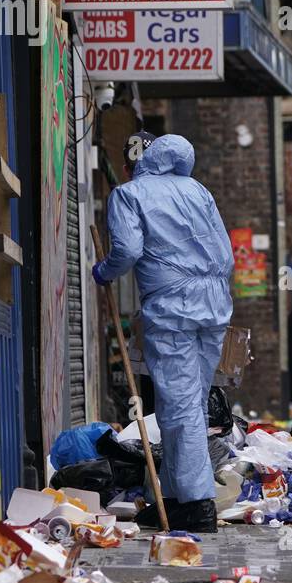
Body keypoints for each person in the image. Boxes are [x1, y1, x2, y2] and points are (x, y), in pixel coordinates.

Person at [93, 133, 234, 533]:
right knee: (189, 402)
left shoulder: (130, 194)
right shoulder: (198, 190)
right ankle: (171, 497)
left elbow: (128, 251)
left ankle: (196, 503)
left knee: (181, 405)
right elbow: (224, 251)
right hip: (214, 305)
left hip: (172, 307)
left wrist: (103, 271)